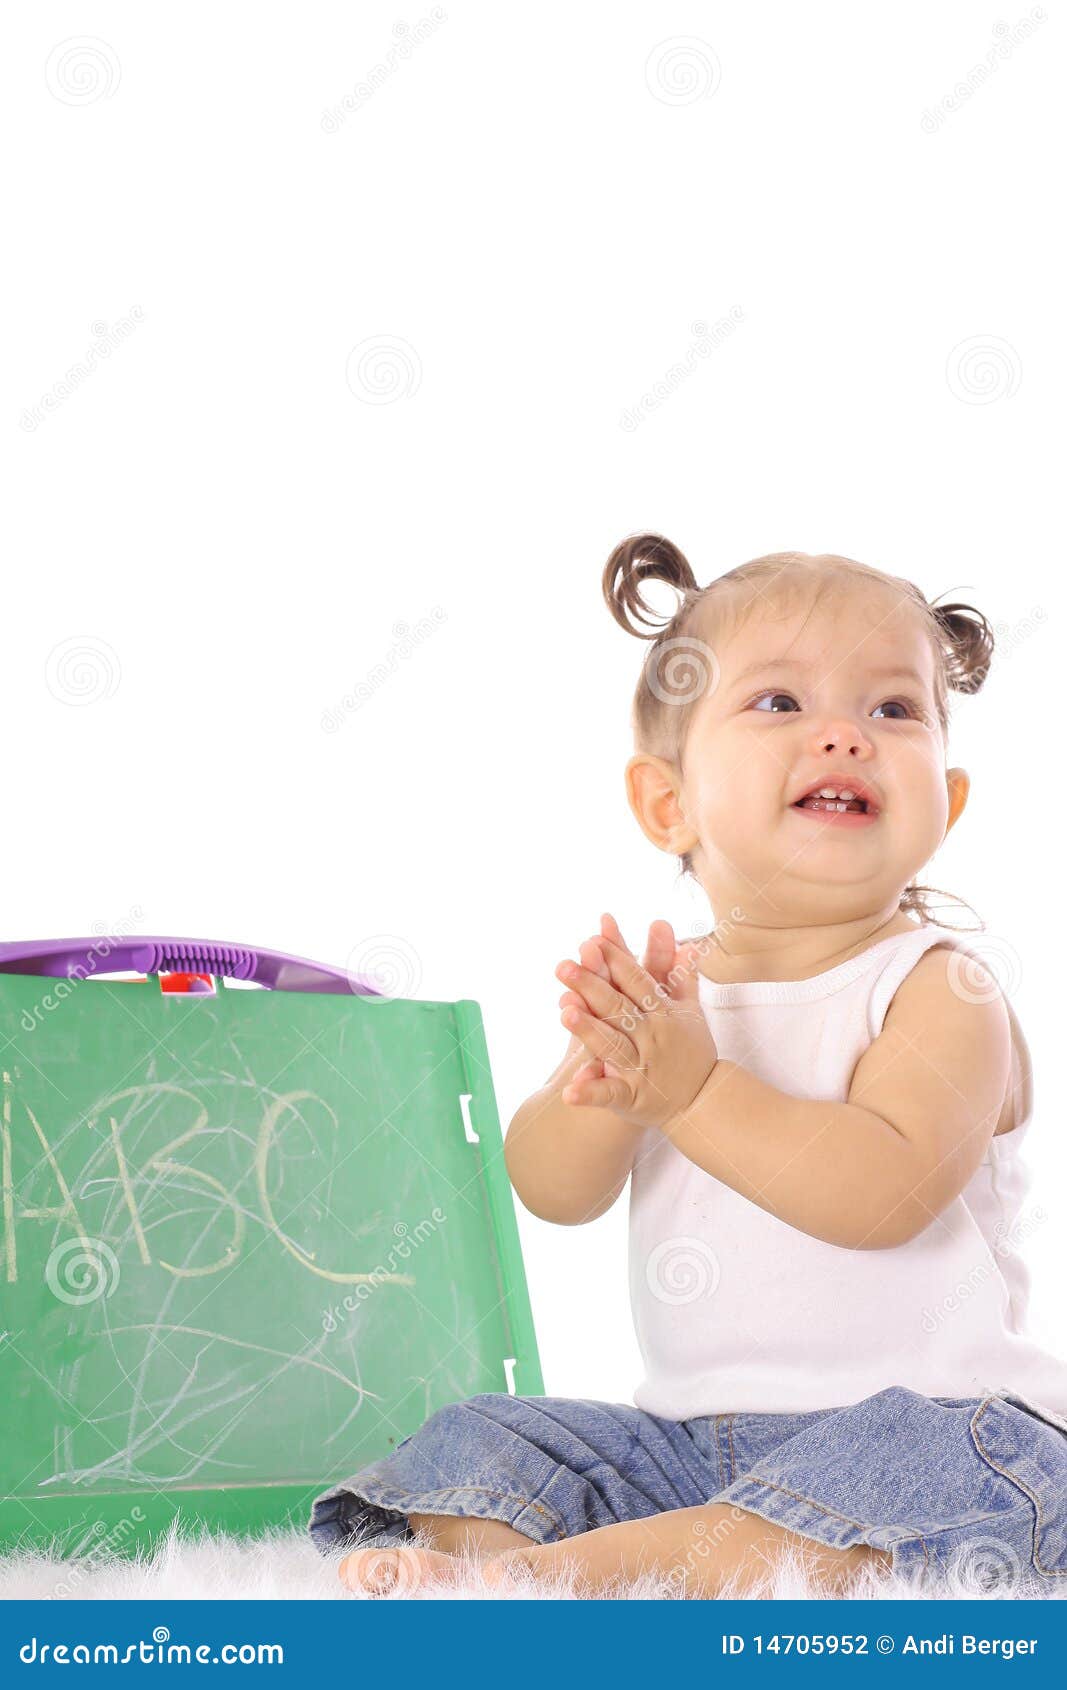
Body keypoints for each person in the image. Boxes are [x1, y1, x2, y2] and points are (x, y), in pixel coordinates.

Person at [310, 533, 1067, 1599]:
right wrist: (617, 1087)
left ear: (942, 805)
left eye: (893, 709)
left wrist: (693, 1091)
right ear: (668, 803)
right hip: (686, 1448)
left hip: (930, 1423)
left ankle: (556, 1580)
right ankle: (548, 1559)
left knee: (942, 1477)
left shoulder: (940, 989)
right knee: (482, 1437)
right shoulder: (669, 995)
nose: (845, 735)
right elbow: (547, 1184)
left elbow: (882, 1191)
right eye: (778, 704)